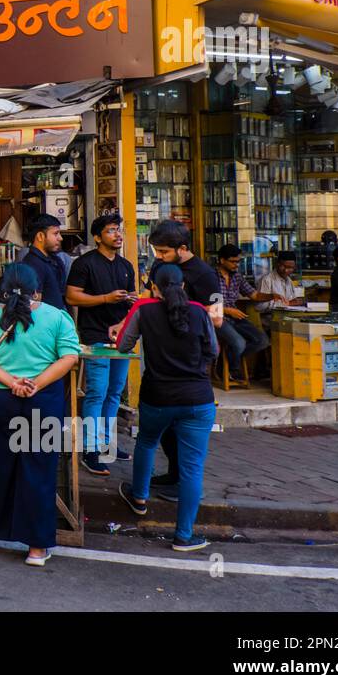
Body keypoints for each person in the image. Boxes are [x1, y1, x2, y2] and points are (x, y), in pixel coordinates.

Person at [0, 264, 80, 567]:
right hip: (43, 400)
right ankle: (37, 548)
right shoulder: (57, 317)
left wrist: (11, 383)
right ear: (36, 290)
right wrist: (35, 384)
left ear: (1, 288)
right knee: (39, 470)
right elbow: (70, 356)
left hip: (0, 400)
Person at [116, 263, 219, 552]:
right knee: (192, 468)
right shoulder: (200, 312)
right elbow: (213, 350)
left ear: (154, 287)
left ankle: (138, 498)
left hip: (157, 396)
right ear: (183, 285)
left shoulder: (143, 310)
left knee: (146, 442)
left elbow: (123, 346)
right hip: (198, 399)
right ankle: (184, 536)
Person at [132, 220, 223, 502]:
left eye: (163, 251)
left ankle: (181, 481)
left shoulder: (205, 275)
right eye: (155, 251)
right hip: (159, 357)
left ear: (182, 249)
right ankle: (172, 474)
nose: (157, 257)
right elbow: (146, 300)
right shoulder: (160, 267)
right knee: (164, 430)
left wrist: (184, 314)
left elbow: (217, 317)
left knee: (184, 429)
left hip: (189, 361)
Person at [64, 214, 137, 475]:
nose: (117, 235)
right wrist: (106, 298)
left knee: (115, 391)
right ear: (97, 237)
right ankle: (90, 448)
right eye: (110, 231)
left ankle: (108, 442)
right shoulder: (84, 264)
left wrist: (129, 303)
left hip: (123, 338)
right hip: (94, 336)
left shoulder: (126, 266)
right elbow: (72, 297)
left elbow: (133, 303)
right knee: (97, 391)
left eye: (119, 230)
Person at [213, 245, 276, 382]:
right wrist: (228, 310)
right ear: (222, 260)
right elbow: (206, 303)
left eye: (238, 261)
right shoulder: (211, 276)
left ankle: (227, 361)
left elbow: (254, 295)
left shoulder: (237, 277)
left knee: (262, 340)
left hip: (235, 317)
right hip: (217, 317)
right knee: (239, 343)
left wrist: (272, 296)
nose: (236, 265)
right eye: (233, 261)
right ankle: (233, 370)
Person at [20, 213, 69, 313]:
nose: (60, 238)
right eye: (56, 233)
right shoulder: (32, 264)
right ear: (40, 236)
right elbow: (34, 305)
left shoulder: (55, 260)